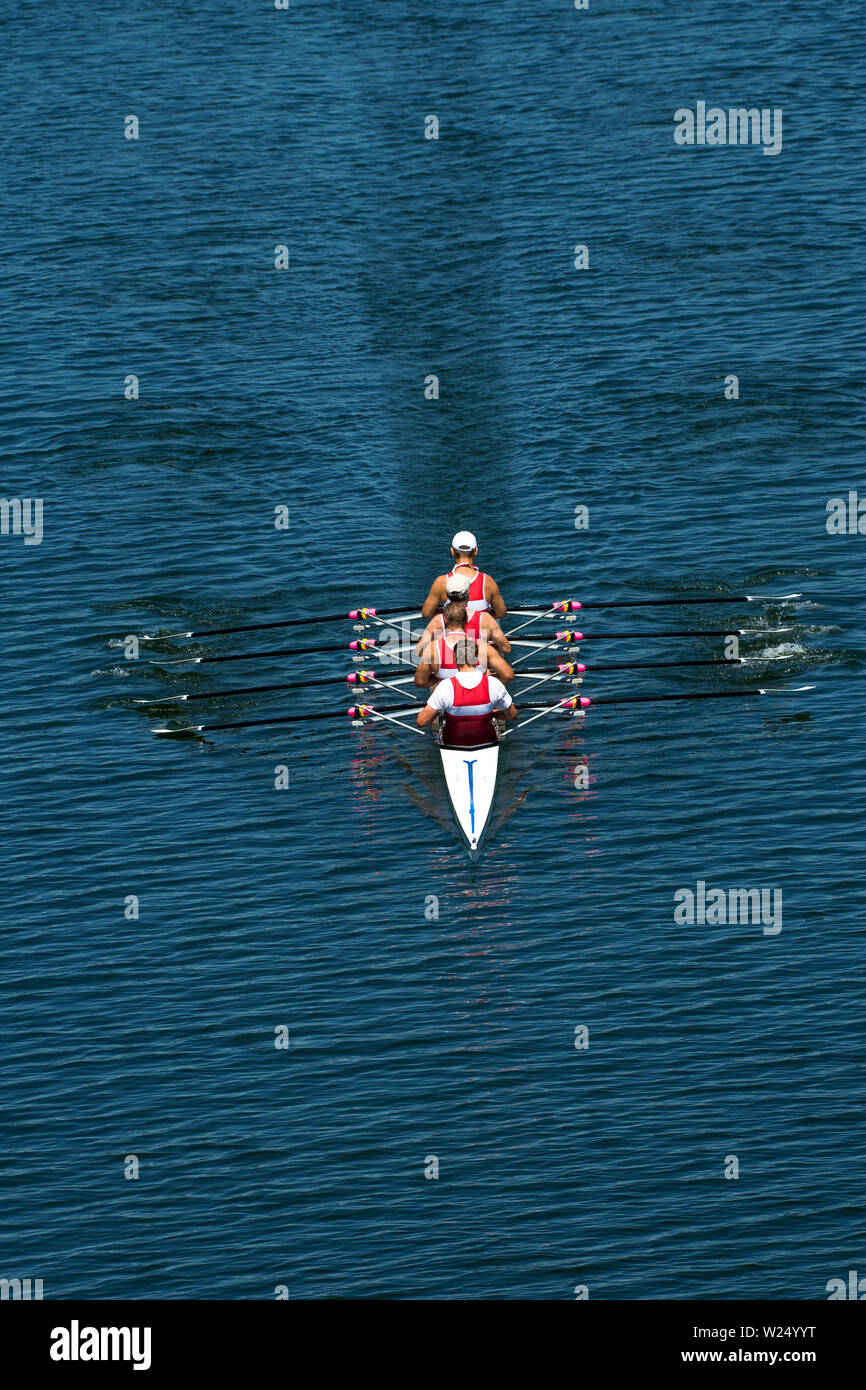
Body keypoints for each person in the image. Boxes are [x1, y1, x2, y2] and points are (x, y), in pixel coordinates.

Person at [417, 637, 517, 747]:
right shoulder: (494, 684)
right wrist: (492, 714)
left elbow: (422, 722)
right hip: (487, 743)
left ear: (454, 658)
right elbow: (512, 715)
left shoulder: (445, 687)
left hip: (453, 744)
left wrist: (437, 711)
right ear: (477, 658)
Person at [414, 598, 514, 689]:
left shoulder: (433, 648)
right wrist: (487, 683)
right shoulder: (482, 646)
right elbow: (508, 675)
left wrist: (439, 678)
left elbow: (419, 681)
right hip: (479, 697)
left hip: (448, 700)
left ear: (445, 620)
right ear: (466, 620)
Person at [421, 531, 506, 622]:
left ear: (452, 552)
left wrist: (449, 614)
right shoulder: (487, 581)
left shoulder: (441, 582)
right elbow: (501, 613)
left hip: (453, 635)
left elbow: (426, 613)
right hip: (480, 635)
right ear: (476, 551)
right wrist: (480, 617)